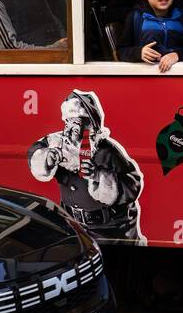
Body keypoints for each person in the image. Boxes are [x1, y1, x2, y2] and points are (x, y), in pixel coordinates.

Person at [28, 90, 145, 244]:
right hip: (73, 226)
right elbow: (35, 152)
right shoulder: (58, 143)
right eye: (67, 123)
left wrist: (99, 175)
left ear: (89, 126)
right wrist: (46, 157)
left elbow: (132, 184)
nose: (69, 131)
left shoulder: (106, 151)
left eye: (75, 125)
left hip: (108, 230)